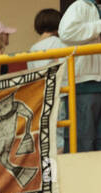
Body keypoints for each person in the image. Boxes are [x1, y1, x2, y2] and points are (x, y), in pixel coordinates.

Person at [61, 0, 101, 152]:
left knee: (97, 142)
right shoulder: (80, 6)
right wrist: (98, 26)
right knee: (83, 141)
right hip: (83, 83)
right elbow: (66, 32)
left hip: (96, 82)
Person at [28, 8, 70, 151]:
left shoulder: (33, 48)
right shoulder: (59, 43)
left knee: (48, 134)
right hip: (60, 94)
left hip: (42, 97)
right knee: (61, 135)